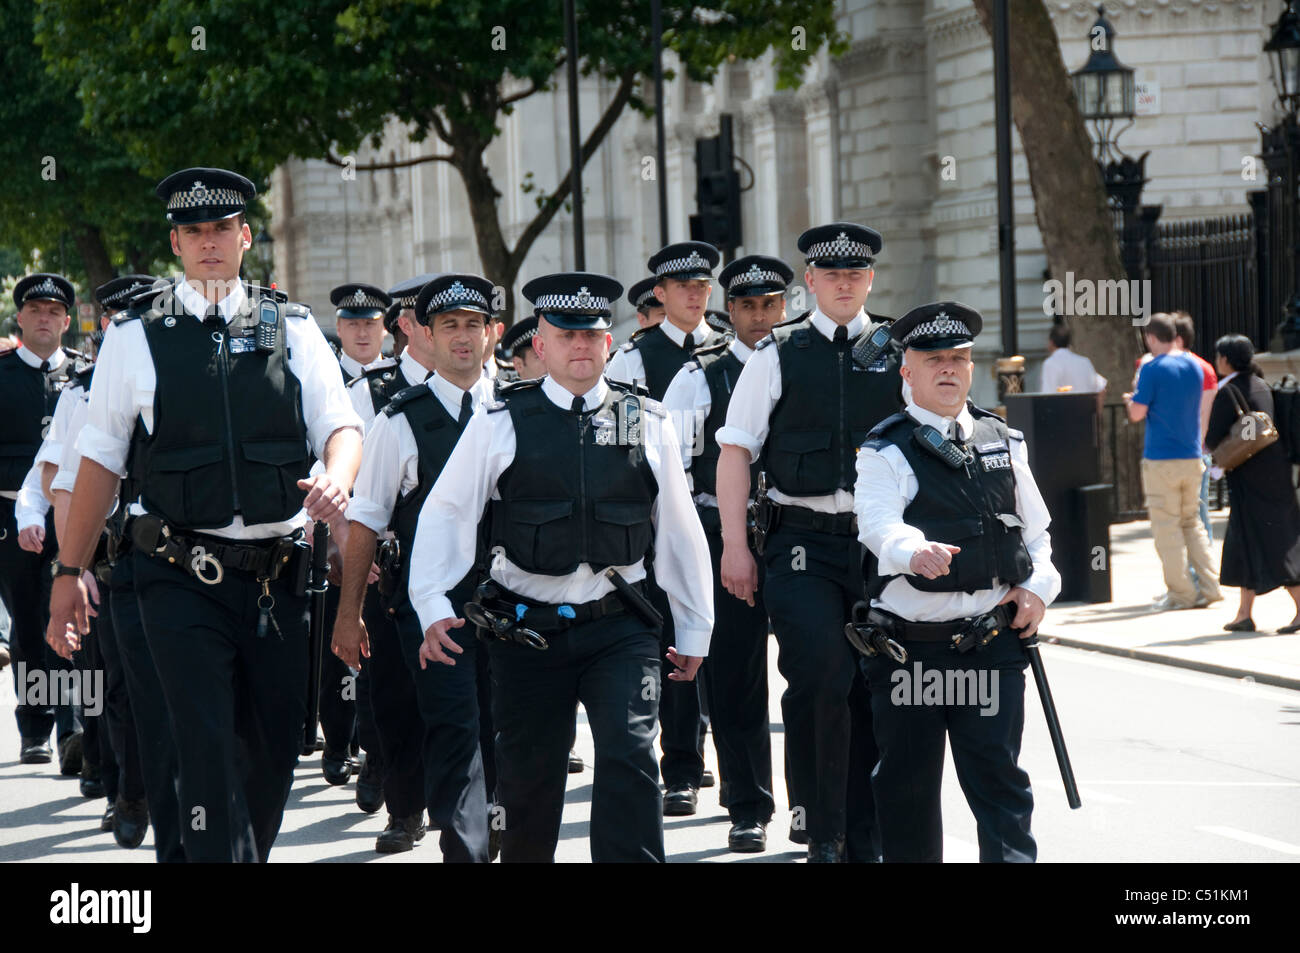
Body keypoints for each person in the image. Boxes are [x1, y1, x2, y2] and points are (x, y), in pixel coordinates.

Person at [47, 167, 363, 863]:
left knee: (276, 751)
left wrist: (337, 482)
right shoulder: (137, 336)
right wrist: (68, 572)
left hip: (278, 582)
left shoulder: (295, 327)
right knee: (206, 744)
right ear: (176, 243)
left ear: (246, 236)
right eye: (195, 231)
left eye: (223, 228)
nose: (210, 242)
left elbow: (341, 426)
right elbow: (98, 461)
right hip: (178, 578)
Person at [408, 272, 714, 862]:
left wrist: (694, 626)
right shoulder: (500, 420)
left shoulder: (646, 422)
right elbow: (446, 513)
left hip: (620, 624)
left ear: (608, 344)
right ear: (540, 346)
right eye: (565, 334)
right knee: (530, 778)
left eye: (592, 335)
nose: (581, 345)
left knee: (629, 755)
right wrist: (431, 604)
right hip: (527, 629)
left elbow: (679, 529)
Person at [716, 222, 903, 862]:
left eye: (857, 273)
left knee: (880, 686)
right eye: (832, 274)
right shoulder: (778, 354)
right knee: (821, 676)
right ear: (812, 283)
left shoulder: (900, 350)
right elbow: (735, 451)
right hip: (801, 545)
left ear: (870, 280)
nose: (845, 282)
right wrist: (734, 546)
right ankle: (823, 831)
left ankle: (868, 833)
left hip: (884, 550)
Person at [854, 301, 1061, 863]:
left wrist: (1036, 588)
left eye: (959, 358)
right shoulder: (884, 448)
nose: (949, 368)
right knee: (908, 793)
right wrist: (912, 551)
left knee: (1001, 787)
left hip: (990, 646)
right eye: (934, 359)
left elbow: (1039, 537)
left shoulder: (1002, 440)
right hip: (911, 655)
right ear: (907, 371)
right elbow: (877, 525)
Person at [334, 273, 498, 862]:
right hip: (423, 604)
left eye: (473, 325)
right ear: (423, 336)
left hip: (509, 600)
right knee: (438, 722)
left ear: (492, 334)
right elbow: (366, 520)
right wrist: (349, 614)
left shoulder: (517, 409)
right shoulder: (398, 419)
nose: (462, 337)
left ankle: (492, 820)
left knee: (499, 724)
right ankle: (429, 825)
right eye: (448, 325)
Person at [661, 253, 791, 853]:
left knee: (815, 673)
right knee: (736, 674)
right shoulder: (699, 375)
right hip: (723, 531)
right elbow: (678, 471)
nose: (760, 317)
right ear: (729, 311)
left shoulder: (801, 361)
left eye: (770, 305)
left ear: (785, 307)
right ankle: (748, 805)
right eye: (747, 306)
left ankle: (814, 801)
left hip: (797, 532)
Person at [606, 241, 725, 816]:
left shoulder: (727, 350)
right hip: (657, 515)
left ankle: (736, 774)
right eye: (684, 288)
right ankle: (680, 767)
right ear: (661, 293)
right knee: (671, 634)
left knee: (727, 647)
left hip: (720, 511)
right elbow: (625, 440)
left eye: (703, 286)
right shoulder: (633, 359)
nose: (696, 296)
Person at [0, 272, 84, 771]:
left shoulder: (83, 375)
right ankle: (36, 726)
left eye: (54, 312)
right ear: (22, 319)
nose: (46, 319)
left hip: (75, 515)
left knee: (77, 618)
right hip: (12, 518)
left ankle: (76, 725)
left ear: (67, 321)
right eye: (37, 311)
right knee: (31, 622)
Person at [1124, 313, 1222, 611]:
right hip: (1192, 455)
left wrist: (1130, 400)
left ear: (1150, 337)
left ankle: (1181, 594)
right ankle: (1209, 587)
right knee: (1193, 524)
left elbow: (1137, 414)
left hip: (1161, 458)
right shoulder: (1195, 365)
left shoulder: (1152, 368)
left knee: (1167, 528)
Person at [1206, 334, 1300, 633]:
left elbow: (1213, 439)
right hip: (1273, 476)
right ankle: (1244, 613)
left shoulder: (1229, 391)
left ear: (1226, 359)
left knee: (1274, 543)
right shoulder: (1261, 385)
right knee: (1244, 544)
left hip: (1252, 483)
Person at [1172, 313, 1217, 544]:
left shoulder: (1173, 368)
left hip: (1185, 453)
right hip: (1195, 451)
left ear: (1177, 339)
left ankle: (1198, 575)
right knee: (1197, 516)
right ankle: (1200, 575)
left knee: (1192, 518)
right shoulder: (1205, 368)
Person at [332, 281, 393, 382]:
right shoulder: (325, 379)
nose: (362, 334)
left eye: (369, 324)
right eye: (353, 324)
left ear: (385, 327)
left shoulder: (400, 378)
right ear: (339, 328)